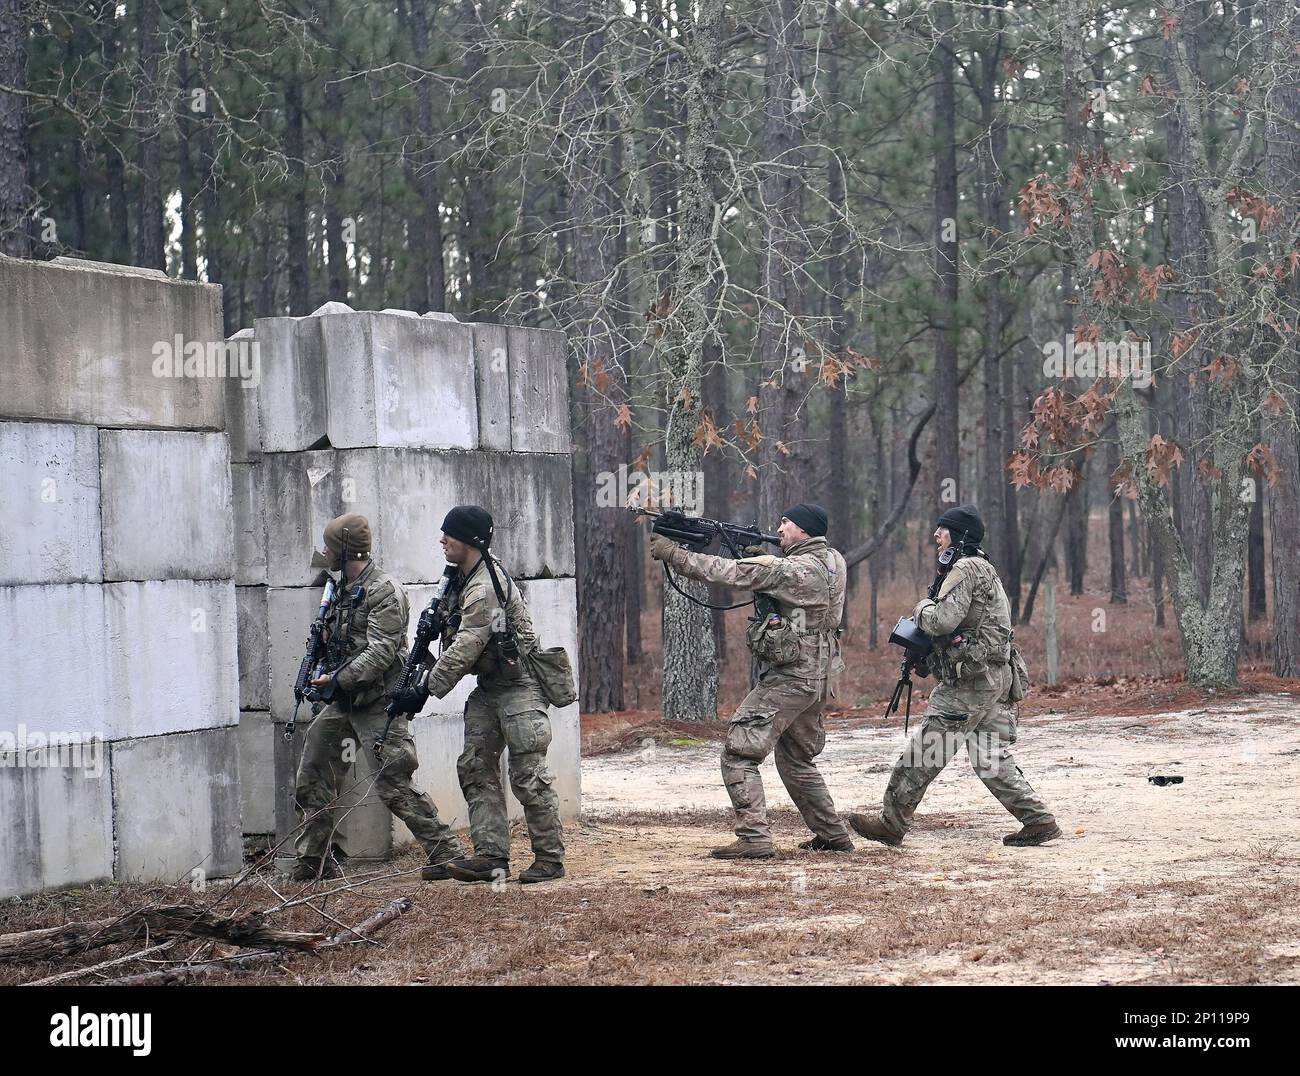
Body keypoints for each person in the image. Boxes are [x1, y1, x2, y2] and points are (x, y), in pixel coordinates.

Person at [848, 504, 1061, 848]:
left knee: (925, 752)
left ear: (959, 536)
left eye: (942, 529)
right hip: (994, 679)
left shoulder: (964, 568)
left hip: (969, 685)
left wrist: (920, 607)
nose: (936, 535)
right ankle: (1038, 820)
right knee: (989, 757)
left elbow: (941, 621)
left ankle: (891, 823)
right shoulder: (984, 567)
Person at [650, 503, 854, 859]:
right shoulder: (833, 560)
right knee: (796, 759)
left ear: (804, 531)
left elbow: (726, 572)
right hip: (820, 675)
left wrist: (674, 554)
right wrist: (761, 557)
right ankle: (833, 835)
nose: (780, 528)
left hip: (792, 676)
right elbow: (787, 581)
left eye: (787, 523)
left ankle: (754, 837)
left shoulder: (789, 569)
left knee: (738, 753)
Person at [290, 512, 465, 882]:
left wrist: (336, 679)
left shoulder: (385, 591)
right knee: (313, 774)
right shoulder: (340, 589)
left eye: (330, 547)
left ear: (345, 551)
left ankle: (446, 853)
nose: (325, 553)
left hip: (378, 704)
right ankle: (313, 861)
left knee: (394, 783)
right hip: (343, 702)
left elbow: (380, 653)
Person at [414, 505, 566, 884]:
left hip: (520, 686)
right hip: (490, 687)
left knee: (528, 775)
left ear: (470, 540)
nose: (442, 540)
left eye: (449, 534)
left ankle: (550, 860)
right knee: (475, 765)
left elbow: (468, 645)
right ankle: (491, 857)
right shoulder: (459, 579)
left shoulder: (484, 586)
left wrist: (426, 688)